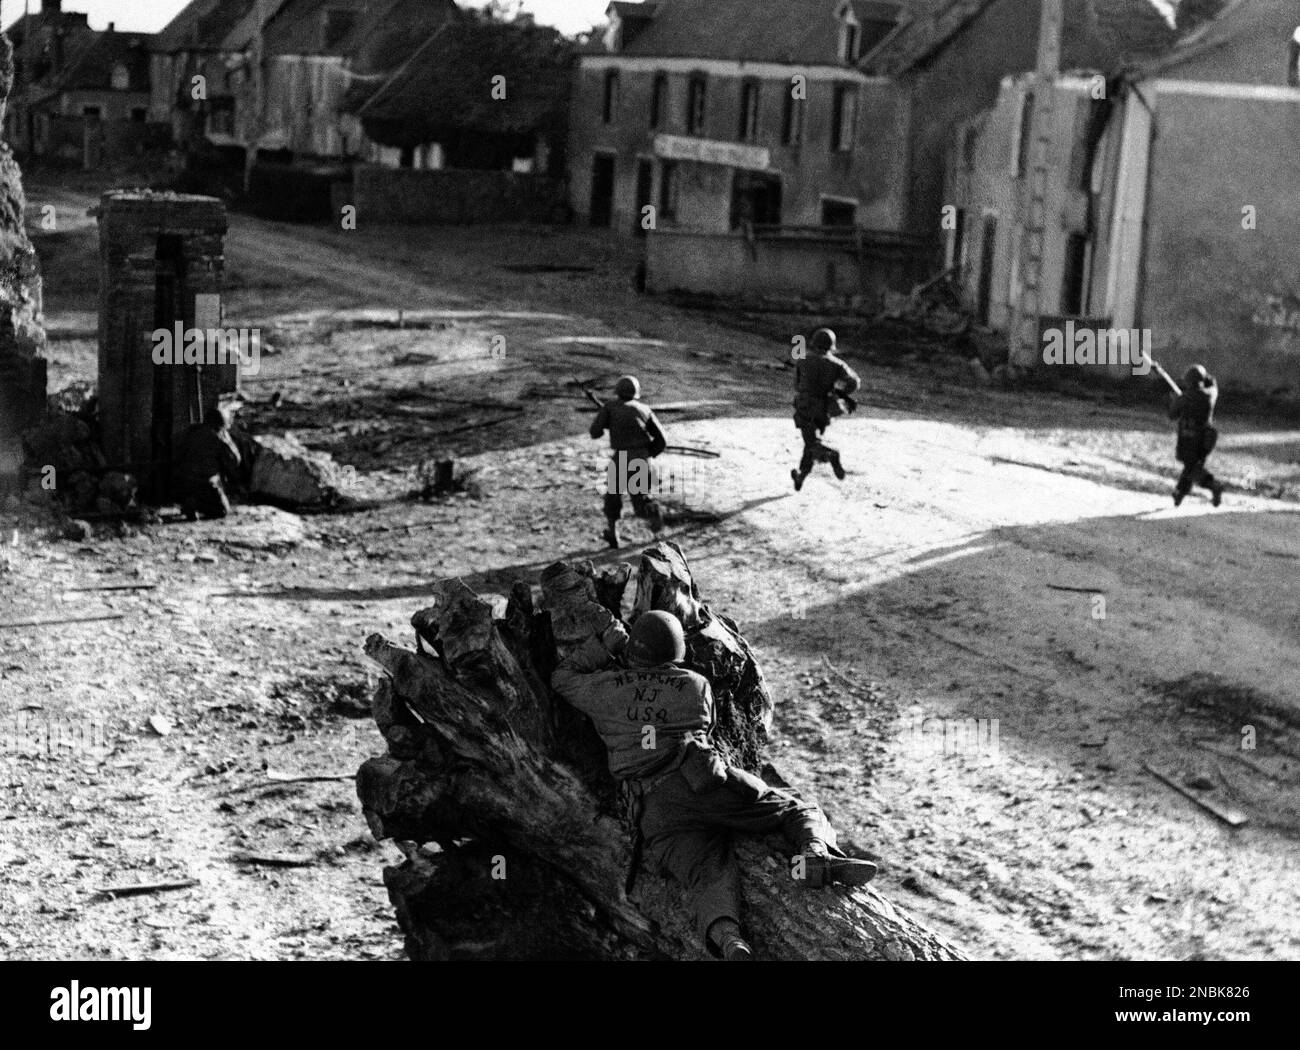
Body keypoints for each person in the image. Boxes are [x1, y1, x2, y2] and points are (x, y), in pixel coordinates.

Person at [551, 609, 878, 960]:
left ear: (634, 650)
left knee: (706, 873)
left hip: (654, 809)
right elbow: (704, 726)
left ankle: (730, 940)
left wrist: (606, 647)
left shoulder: (603, 691)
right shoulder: (694, 685)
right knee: (793, 807)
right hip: (702, 782)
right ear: (676, 651)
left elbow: (562, 676)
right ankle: (814, 854)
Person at [589, 375, 667, 548]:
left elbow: (594, 432)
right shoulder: (644, 409)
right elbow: (662, 439)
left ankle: (613, 533)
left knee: (613, 497)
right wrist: (647, 453)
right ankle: (658, 532)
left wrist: (606, 421)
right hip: (641, 459)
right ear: (636, 393)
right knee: (642, 499)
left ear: (617, 391)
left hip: (621, 459)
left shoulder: (610, 407)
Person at [791, 328, 860, 491]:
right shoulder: (837, 364)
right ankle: (801, 475)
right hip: (824, 408)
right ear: (831, 346)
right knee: (810, 443)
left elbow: (796, 385)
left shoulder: (802, 359)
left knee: (811, 442)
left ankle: (830, 454)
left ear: (814, 343)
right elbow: (855, 382)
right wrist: (839, 392)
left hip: (805, 406)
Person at [1169, 364, 1223, 507]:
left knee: (1192, 467)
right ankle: (1179, 492)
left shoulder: (1185, 398)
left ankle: (1213, 485)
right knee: (1191, 466)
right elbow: (1213, 385)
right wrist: (1207, 378)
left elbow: (1172, 415)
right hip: (1206, 439)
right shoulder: (1210, 394)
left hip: (1188, 437)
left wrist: (1175, 400)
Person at [173, 407, 242, 520]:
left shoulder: (190, 432)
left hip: (181, 483)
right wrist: (227, 439)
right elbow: (234, 460)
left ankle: (190, 502)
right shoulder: (217, 437)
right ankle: (196, 504)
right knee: (222, 511)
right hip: (205, 484)